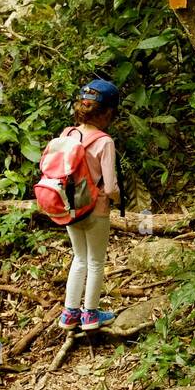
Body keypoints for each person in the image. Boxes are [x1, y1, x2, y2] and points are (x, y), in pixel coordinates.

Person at [58, 79, 122, 331]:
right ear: (107, 112)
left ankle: (69, 313)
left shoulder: (67, 134)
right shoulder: (104, 142)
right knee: (95, 262)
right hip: (96, 210)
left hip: (70, 208)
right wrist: (116, 201)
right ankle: (91, 316)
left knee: (79, 258)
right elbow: (111, 187)